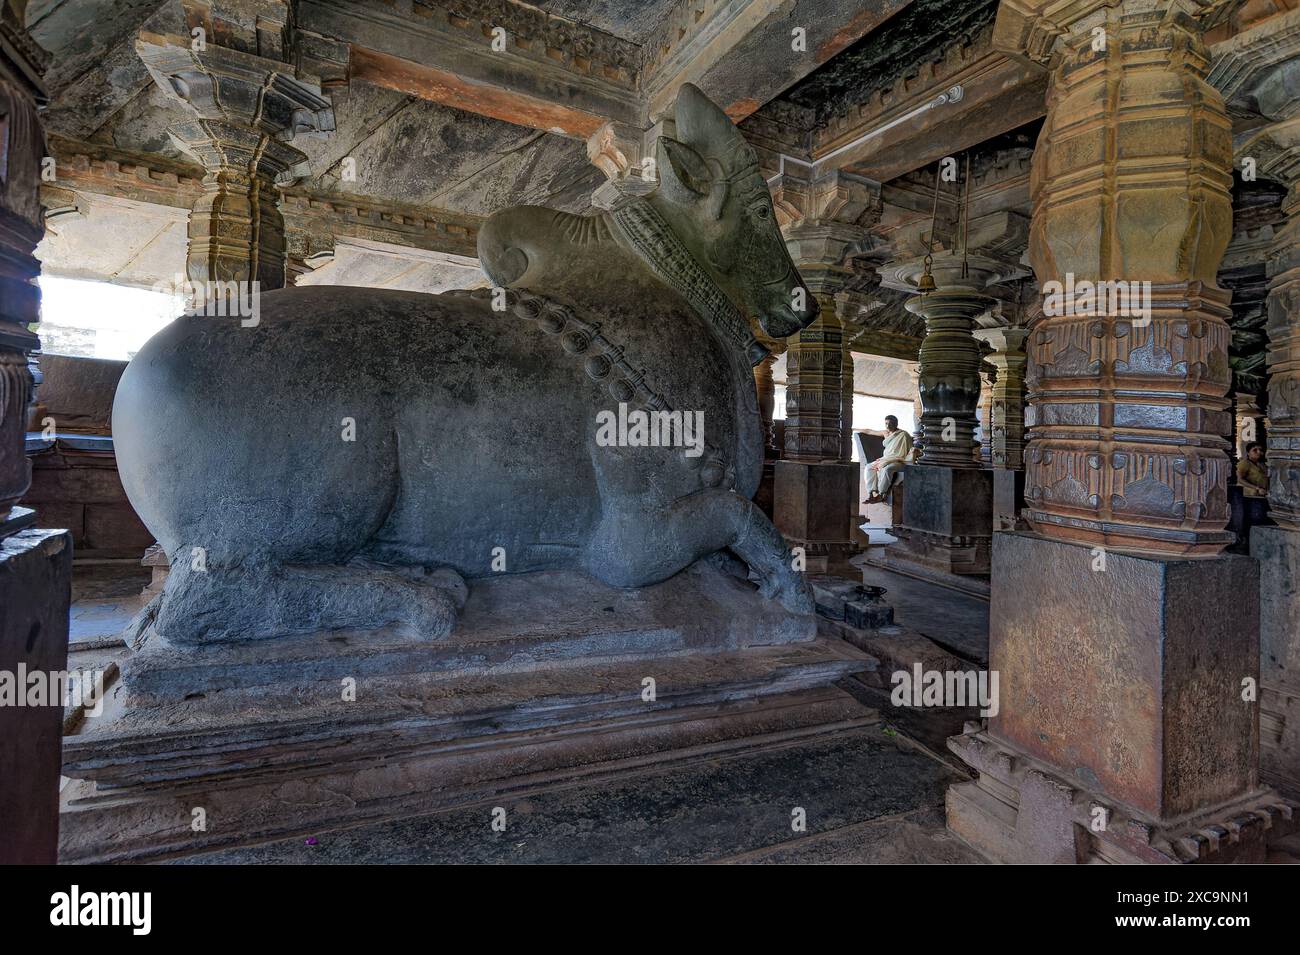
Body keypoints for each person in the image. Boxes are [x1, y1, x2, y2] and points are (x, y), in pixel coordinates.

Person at [864, 415, 914, 504]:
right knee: (869, 467)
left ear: (896, 424)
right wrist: (853, 429)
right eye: (886, 423)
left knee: (887, 469)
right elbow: (869, 431)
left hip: (899, 460)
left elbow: (909, 450)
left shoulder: (904, 435)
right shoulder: (885, 433)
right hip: (885, 459)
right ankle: (872, 493)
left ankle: (881, 494)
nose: (887, 426)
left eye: (890, 424)